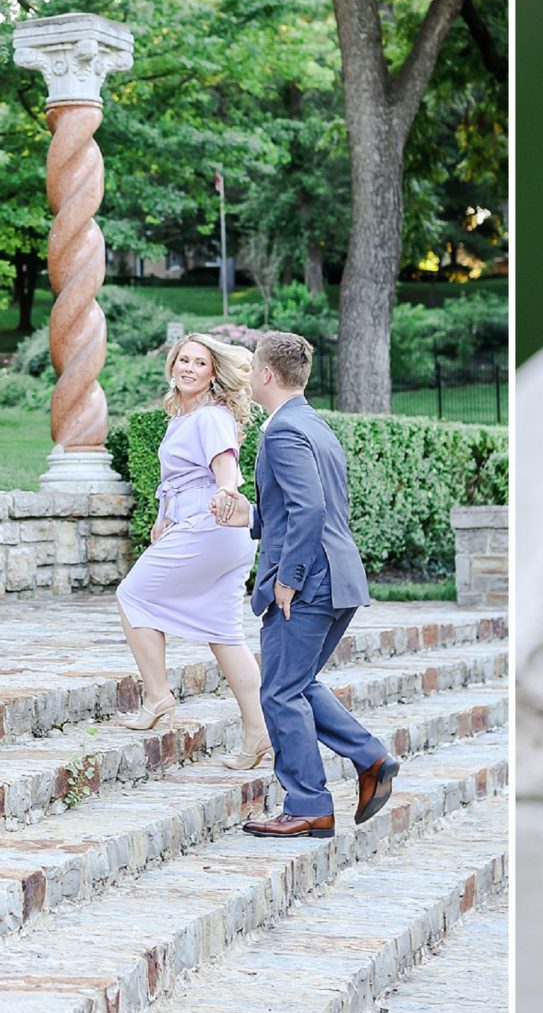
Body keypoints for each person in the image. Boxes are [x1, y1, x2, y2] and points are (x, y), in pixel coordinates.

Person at [212, 331, 398, 838]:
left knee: (278, 693)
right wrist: (248, 517)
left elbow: (310, 509)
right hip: (338, 579)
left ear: (266, 374)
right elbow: (304, 506)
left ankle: (309, 804)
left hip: (308, 582)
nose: (249, 376)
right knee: (294, 684)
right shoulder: (312, 424)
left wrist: (287, 580)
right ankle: (369, 759)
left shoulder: (281, 432)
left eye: (252, 368)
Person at [110, 333, 271, 770]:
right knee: (225, 634)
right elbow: (181, 477)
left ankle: (158, 695)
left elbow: (224, 465)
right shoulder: (183, 415)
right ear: (172, 365)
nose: (188, 368)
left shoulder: (211, 416)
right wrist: (164, 516)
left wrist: (224, 491)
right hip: (212, 529)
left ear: (213, 373)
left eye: (200, 363)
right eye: (183, 360)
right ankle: (258, 734)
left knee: (133, 595)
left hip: (211, 523)